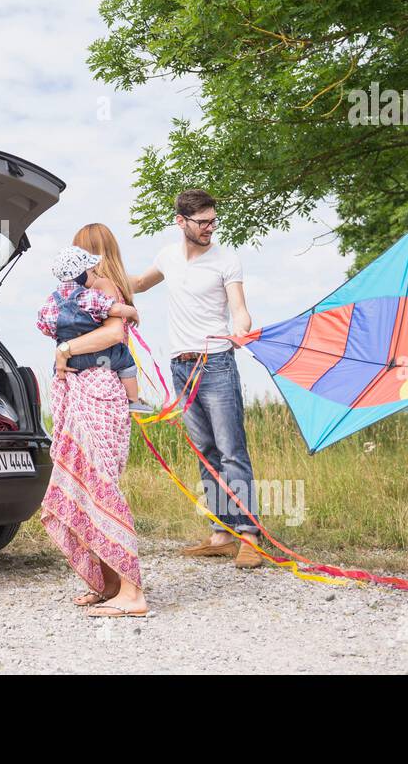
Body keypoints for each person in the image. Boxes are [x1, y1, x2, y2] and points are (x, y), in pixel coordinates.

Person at [129, 189, 265, 568]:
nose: (210, 228)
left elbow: (240, 309)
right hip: (181, 367)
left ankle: (250, 534)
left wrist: (241, 328)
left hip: (217, 364)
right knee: (205, 452)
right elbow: (139, 284)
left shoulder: (226, 259)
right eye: (202, 222)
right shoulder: (169, 257)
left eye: (212, 221)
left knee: (231, 450)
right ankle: (222, 533)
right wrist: (98, 277)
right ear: (181, 222)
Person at [40, 225, 149, 618]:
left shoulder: (103, 289)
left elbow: (115, 332)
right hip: (84, 390)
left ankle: (132, 592)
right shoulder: (84, 292)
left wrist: (65, 349)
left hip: (97, 391)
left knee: (100, 484)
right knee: (87, 486)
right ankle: (110, 584)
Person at [36, 244, 153, 413]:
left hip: (70, 360)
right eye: (91, 272)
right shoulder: (90, 296)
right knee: (126, 360)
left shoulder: (50, 302)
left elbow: (45, 328)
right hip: (99, 356)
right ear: (82, 275)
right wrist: (132, 312)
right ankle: (133, 400)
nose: (94, 275)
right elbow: (115, 309)